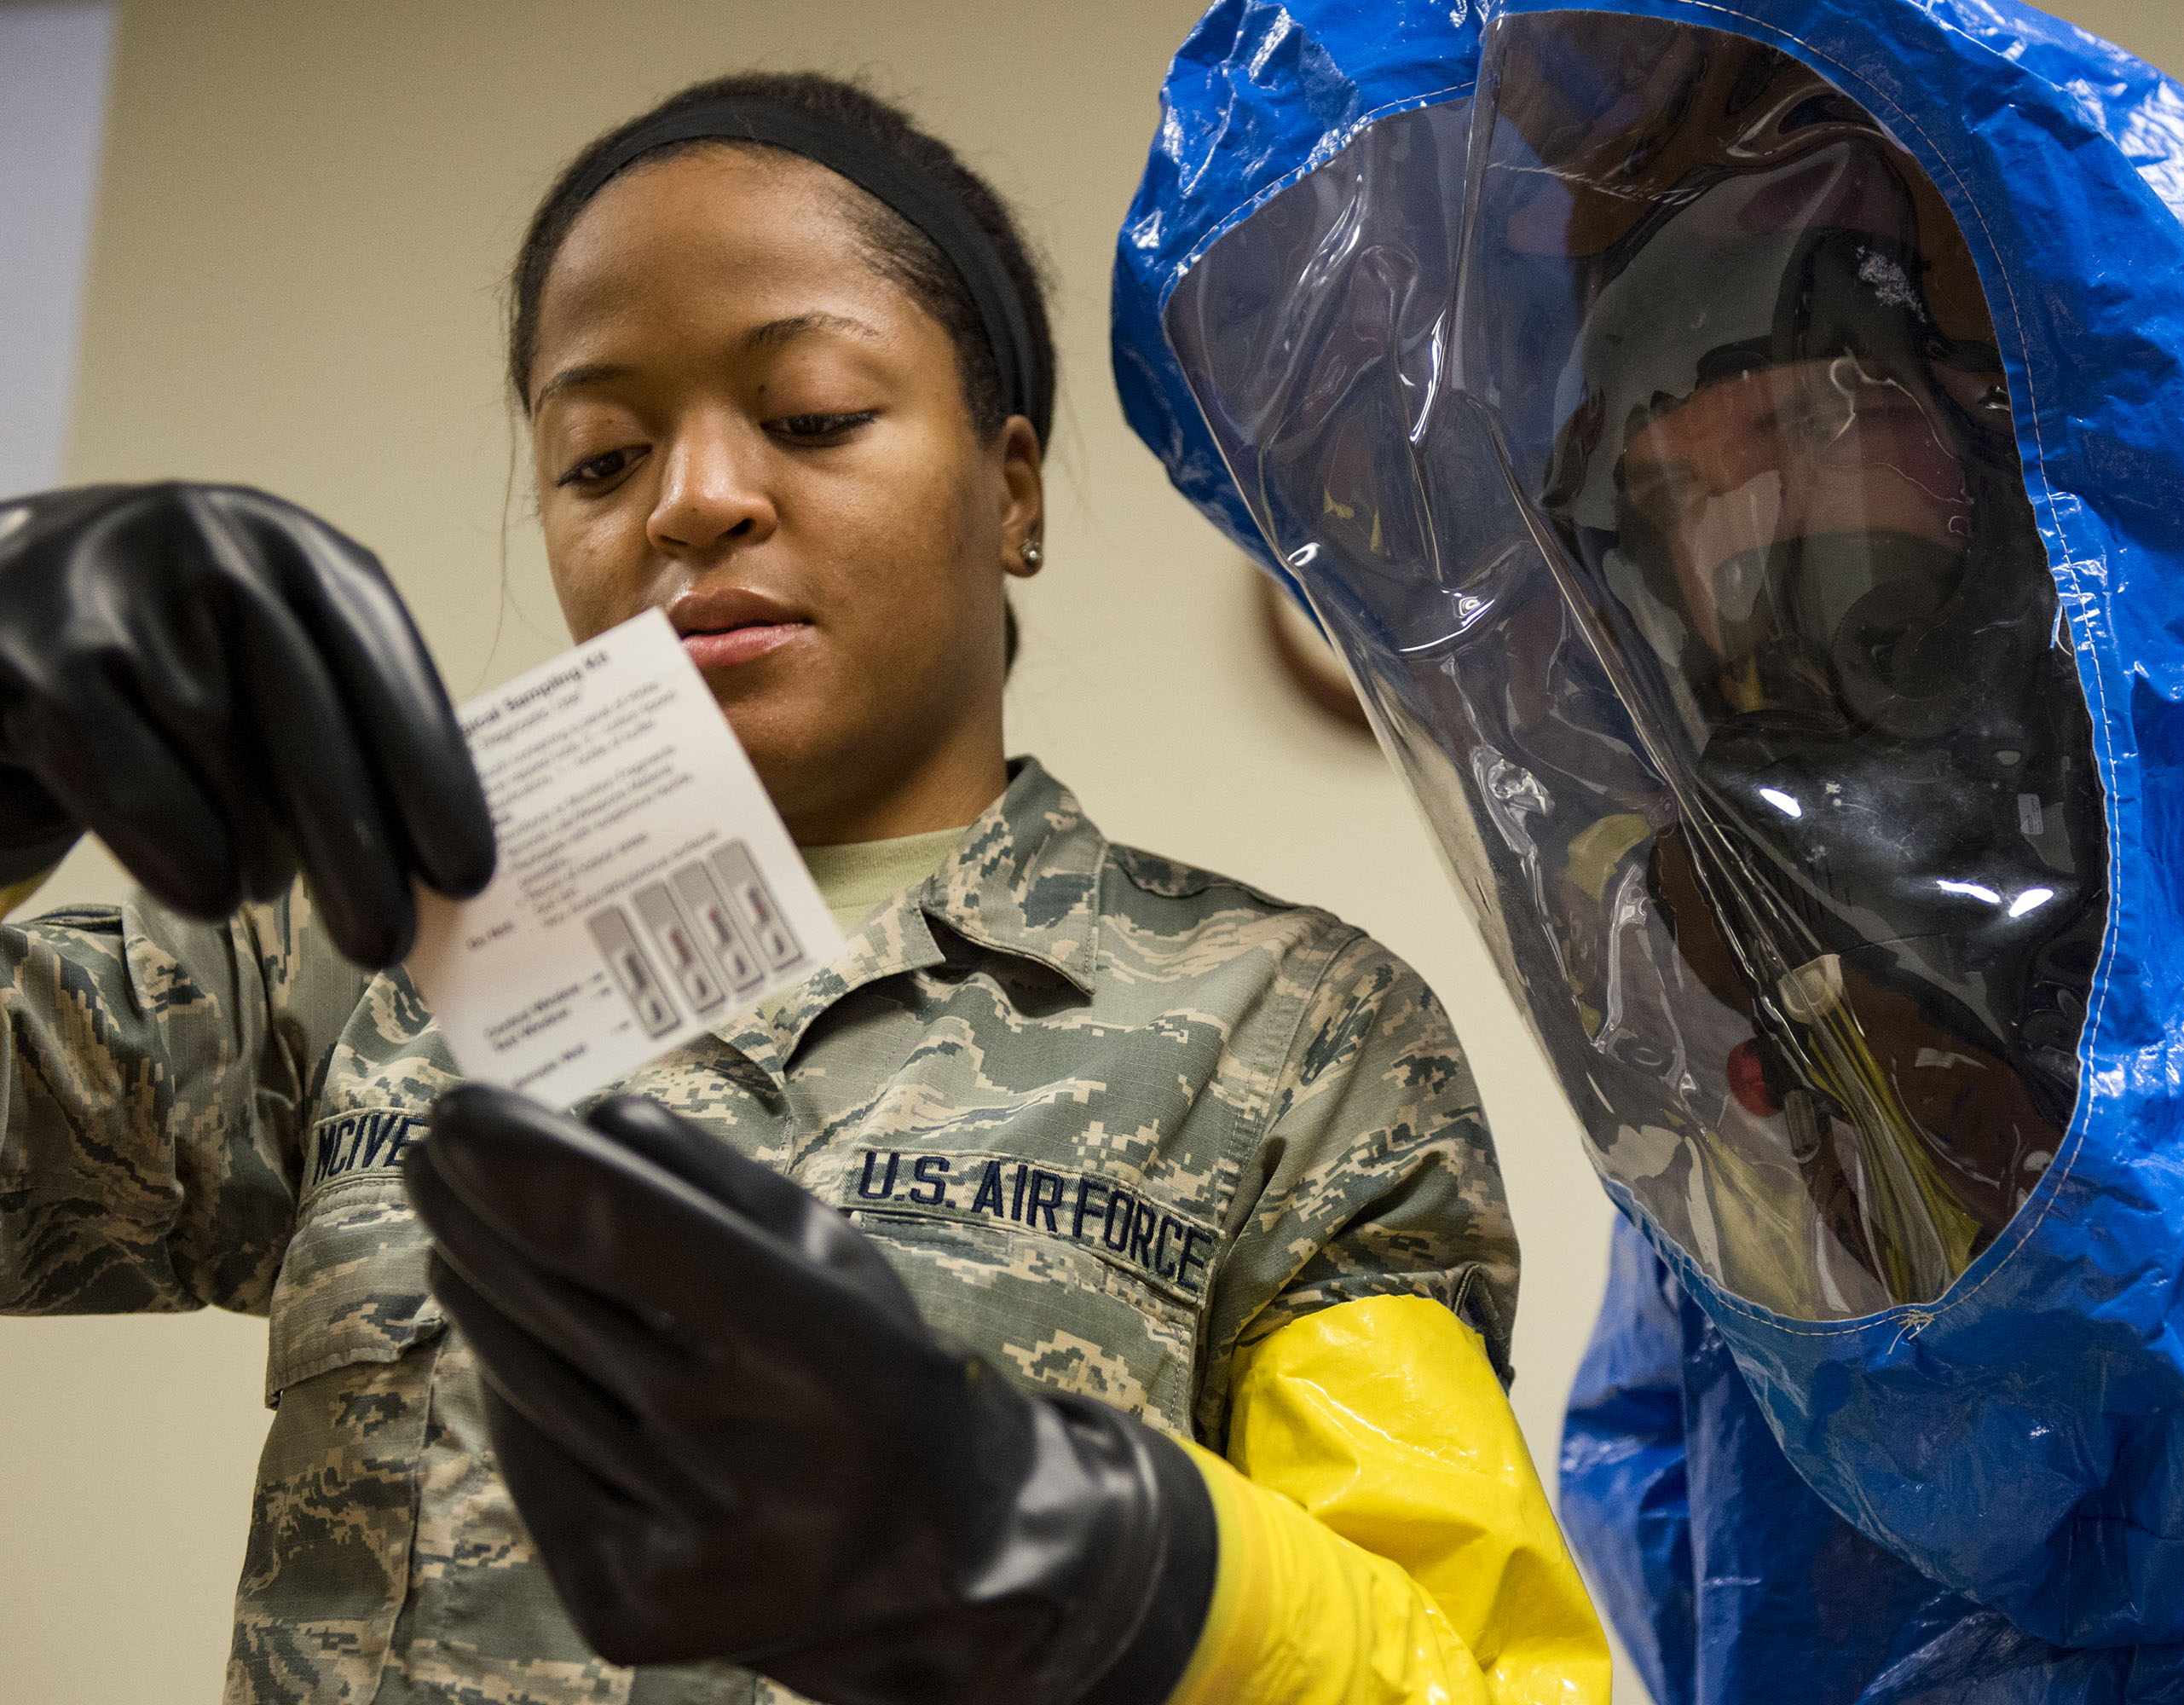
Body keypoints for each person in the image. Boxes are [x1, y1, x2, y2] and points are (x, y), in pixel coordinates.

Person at [0, 72, 1609, 1705]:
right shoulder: (351, 956)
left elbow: (1481, 1679)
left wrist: (1106, 1561)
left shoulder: (1291, 1038)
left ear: (1017, 490)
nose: (694, 500)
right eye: (601, 457)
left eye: (815, 416)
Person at [1114, 3, 2184, 1703]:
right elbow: (1693, 1566)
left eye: (1808, 412)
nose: (1754, 527)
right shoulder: (1773, 1101)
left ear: (2029, 407)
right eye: (1675, 481)